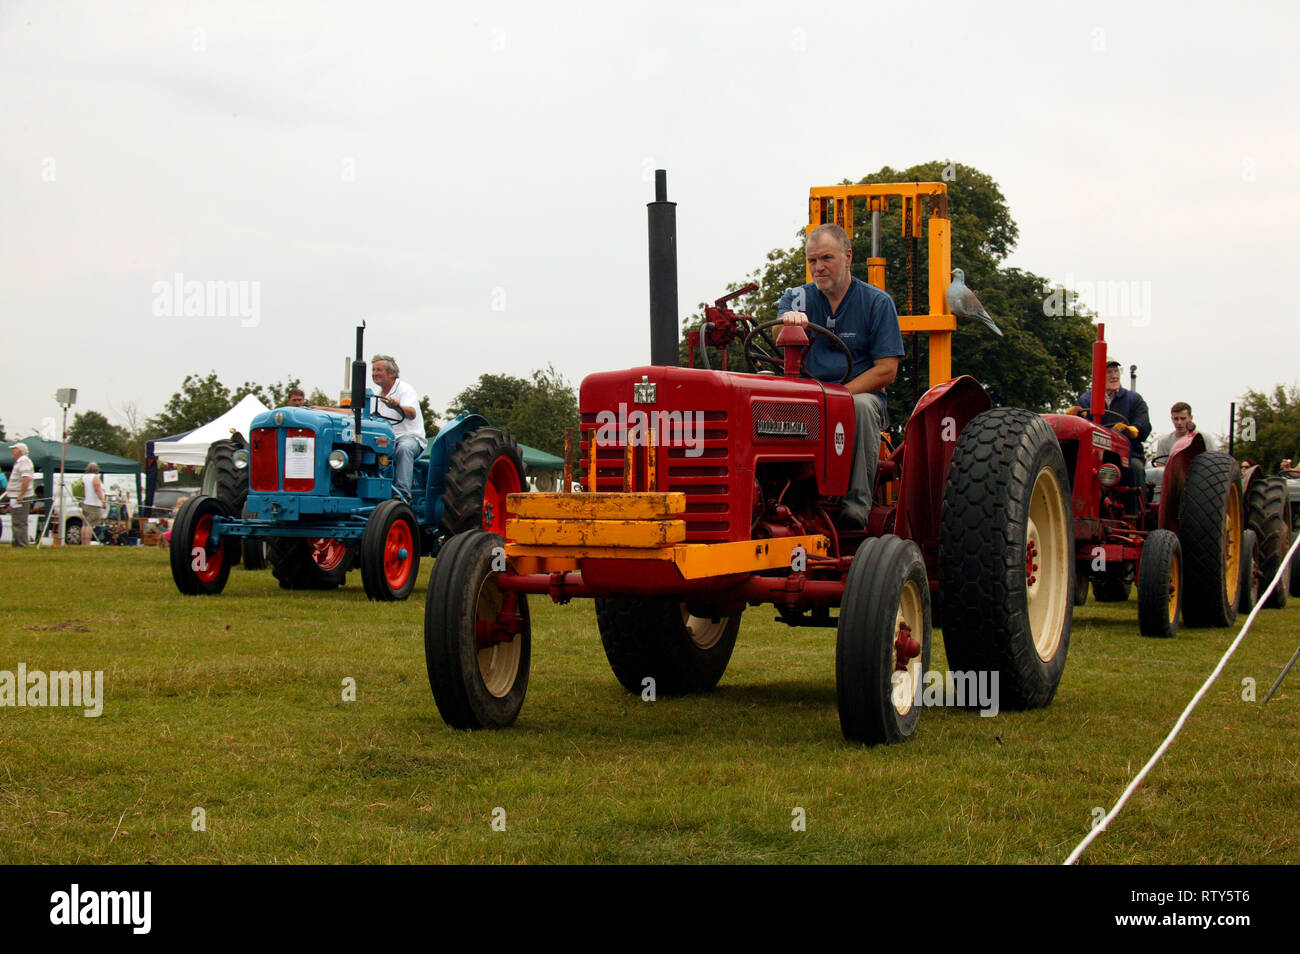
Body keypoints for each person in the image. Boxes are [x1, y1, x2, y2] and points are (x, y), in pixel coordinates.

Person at [777, 224, 904, 529]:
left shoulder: (877, 303)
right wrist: (788, 323)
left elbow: (887, 369)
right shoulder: (797, 299)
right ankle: (778, 501)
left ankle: (855, 508)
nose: (818, 268)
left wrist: (839, 396)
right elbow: (774, 335)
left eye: (826, 259)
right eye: (811, 261)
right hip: (807, 394)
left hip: (857, 395)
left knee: (858, 406)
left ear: (848, 257)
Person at [1076, 359, 1152, 503]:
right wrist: (1075, 415)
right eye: (1109, 372)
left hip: (1128, 455)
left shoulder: (1133, 399)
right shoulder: (1086, 400)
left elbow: (1144, 425)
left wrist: (1131, 430)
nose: (1114, 376)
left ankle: (1134, 517)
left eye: (1116, 371)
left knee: (1135, 468)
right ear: (1098, 376)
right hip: (1095, 456)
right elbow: (1080, 422)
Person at [370, 354, 426, 501]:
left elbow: (411, 413)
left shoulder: (405, 389)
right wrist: (324, 409)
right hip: (386, 440)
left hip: (409, 437)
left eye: (379, 370)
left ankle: (402, 495)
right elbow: (356, 413)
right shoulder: (377, 396)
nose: (375, 373)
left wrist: (397, 406)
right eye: (373, 370)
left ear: (391, 373)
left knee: (404, 448)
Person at [7, 442, 36, 547]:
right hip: (15, 496)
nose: (12, 451)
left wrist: (21, 494)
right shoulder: (20, 462)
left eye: (14, 449)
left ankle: (21, 544)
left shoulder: (24, 461)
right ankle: (17, 542)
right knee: (16, 520)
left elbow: (26, 478)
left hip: (20, 496)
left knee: (19, 521)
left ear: (19, 451)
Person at [82, 462, 106, 545]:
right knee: (90, 525)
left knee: (85, 524)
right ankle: (87, 542)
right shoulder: (95, 477)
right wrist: (103, 501)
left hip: (86, 503)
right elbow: (97, 489)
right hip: (93, 504)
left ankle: (83, 543)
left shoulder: (84, 477)